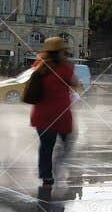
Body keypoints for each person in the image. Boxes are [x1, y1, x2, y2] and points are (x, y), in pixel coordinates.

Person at [28, 36, 80, 191]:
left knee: (45, 147)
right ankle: (58, 164)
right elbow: (75, 83)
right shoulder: (65, 68)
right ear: (60, 52)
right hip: (61, 115)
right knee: (68, 142)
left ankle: (46, 176)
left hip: (41, 115)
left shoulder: (38, 65)